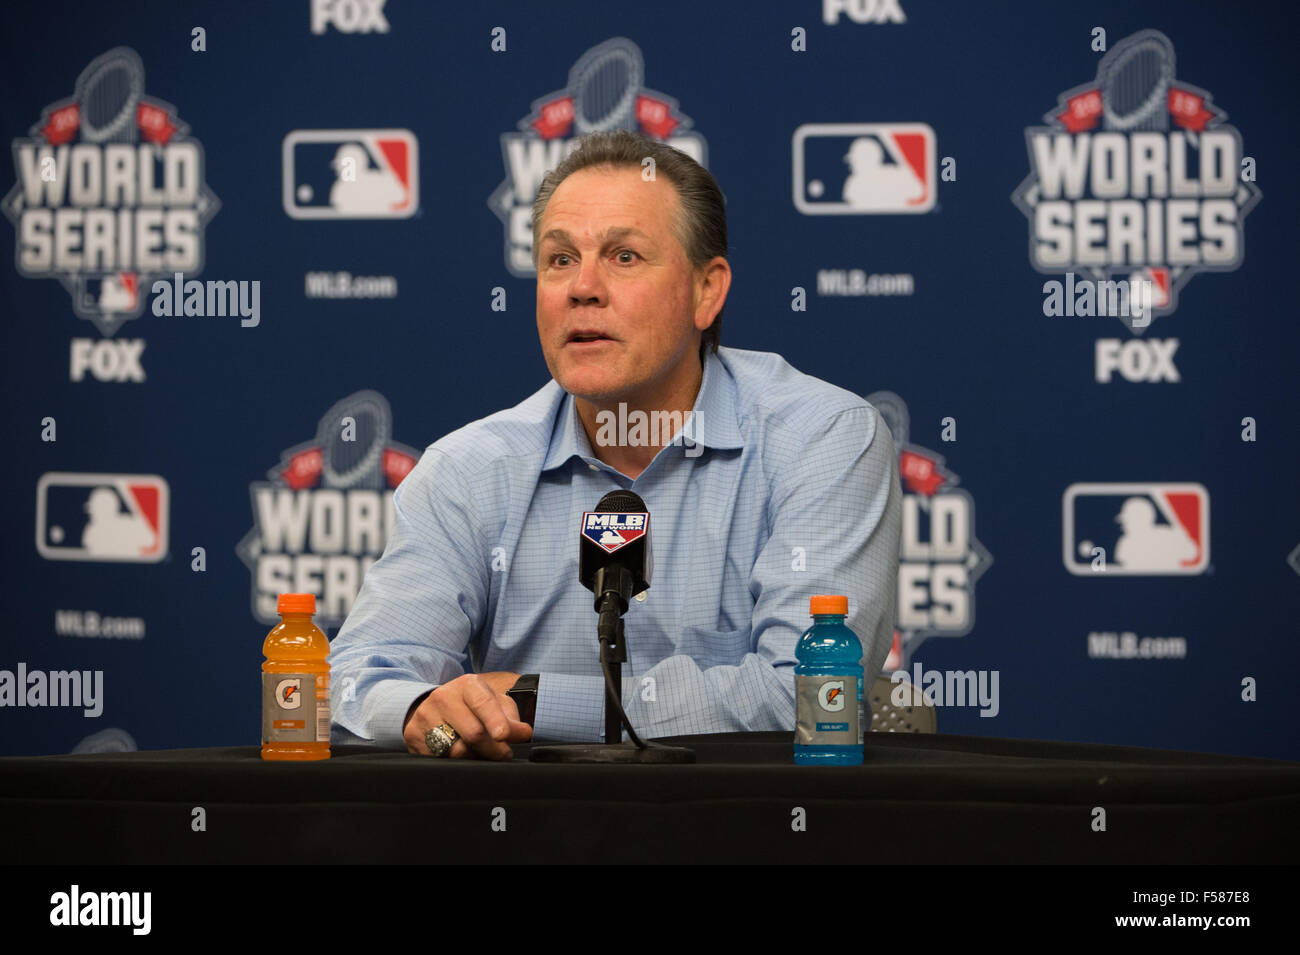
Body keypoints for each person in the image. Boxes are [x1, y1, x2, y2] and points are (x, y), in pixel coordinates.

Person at [329, 130, 901, 759]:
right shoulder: (470, 470)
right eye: (560, 259)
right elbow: (353, 680)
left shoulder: (822, 439)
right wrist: (419, 709)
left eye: (624, 256)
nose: (582, 287)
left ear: (706, 291)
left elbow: (810, 695)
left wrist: (528, 701)